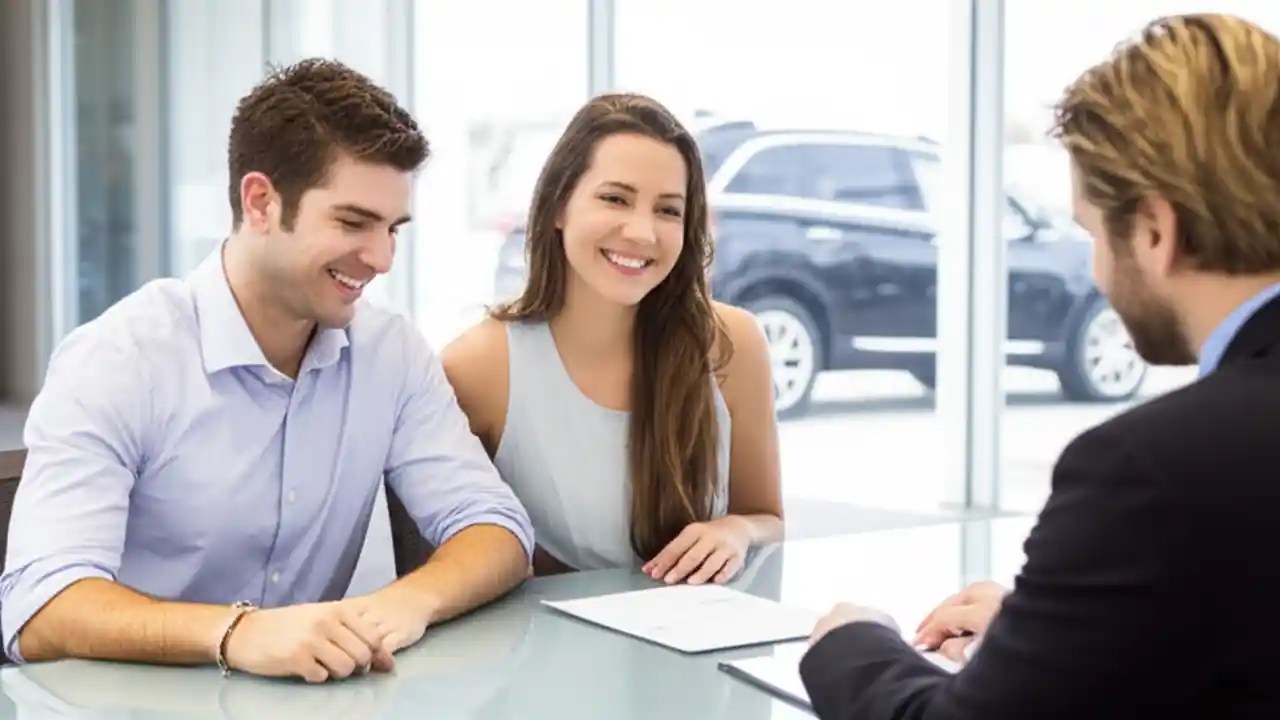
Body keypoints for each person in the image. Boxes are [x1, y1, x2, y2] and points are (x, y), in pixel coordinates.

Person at [799, 13, 1280, 718]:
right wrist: (1056, 637)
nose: (1095, 268)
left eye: (1092, 233)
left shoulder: (1152, 469)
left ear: (1154, 230)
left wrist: (852, 643)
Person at [0, 58, 534, 683]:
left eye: (393, 228)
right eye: (353, 222)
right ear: (260, 202)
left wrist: (400, 606)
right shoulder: (118, 361)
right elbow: (39, 607)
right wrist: (239, 634)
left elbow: (496, 528)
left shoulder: (390, 354)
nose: (383, 257)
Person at [442, 93, 782, 584]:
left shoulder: (732, 344)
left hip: (703, 637)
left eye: (668, 211)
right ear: (559, 206)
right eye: (615, 198)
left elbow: (769, 520)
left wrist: (736, 530)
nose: (642, 232)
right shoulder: (480, 366)